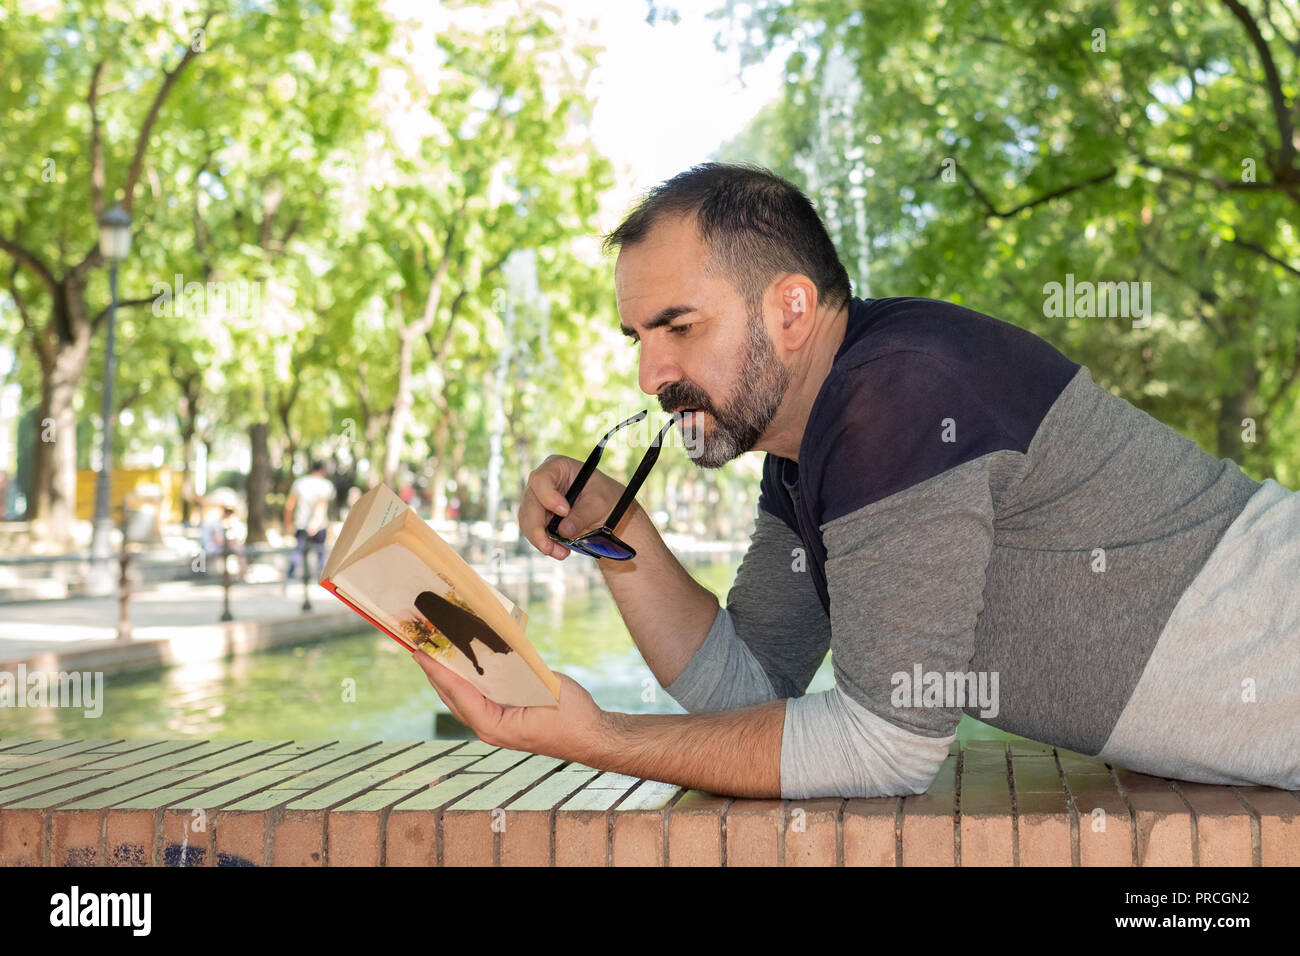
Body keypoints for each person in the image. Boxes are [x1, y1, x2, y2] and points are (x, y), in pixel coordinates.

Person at [417, 162, 1299, 802]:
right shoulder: (806, 451)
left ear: (792, 309)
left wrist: (603, 739)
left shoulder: (897, 397)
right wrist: (626, 538)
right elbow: (752, 689)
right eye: (638, 337)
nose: (650, 374)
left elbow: (887, 747)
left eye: (679, 327)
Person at [284, 460, 335, 589]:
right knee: (320, 553)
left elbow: (290, 505)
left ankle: (289, 578)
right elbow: (322, 505)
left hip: (301, 524)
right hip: (319, 525)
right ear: (322, 471)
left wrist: (288, 523)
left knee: (298, 551)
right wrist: (315, 523)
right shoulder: (325, 485)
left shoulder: (300, 483)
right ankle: (323, 581)